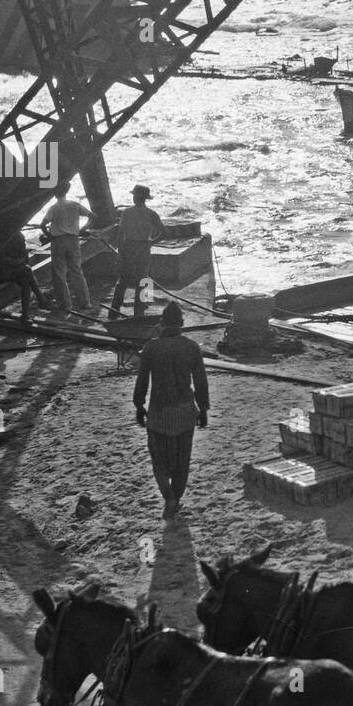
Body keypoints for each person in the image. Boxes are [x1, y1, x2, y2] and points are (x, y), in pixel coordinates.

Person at [133, 302, 209, 519]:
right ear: (182, 324)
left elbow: (142, 382)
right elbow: (201, 383)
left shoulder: (151, 348)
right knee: (182, 462)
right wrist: (203, 409)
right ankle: (175, 499)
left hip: (159, 413)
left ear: (162, 324)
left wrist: (139, 405)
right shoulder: (192, 347)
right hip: (185, 412)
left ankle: (169, 499)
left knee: (159, 461)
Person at [39, 182, 94, 312]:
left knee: (59, 274)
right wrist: (82, 229)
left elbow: (43, 225)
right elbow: (92, 216)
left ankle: (65, 305)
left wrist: (49, 235)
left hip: (58, 241)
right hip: (73, 240)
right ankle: (85, 303)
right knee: (76, 271)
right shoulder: (75, 205)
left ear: (55, 194)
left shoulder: (53, 208)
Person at [111, 184, 165, 318]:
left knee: (123, 280)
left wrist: (120, 250)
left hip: (128, 247)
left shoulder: (127, 213)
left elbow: (120, 233)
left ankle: (114, 311)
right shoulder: (152, 214)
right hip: (144, 248)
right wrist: (151, 242)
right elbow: (164, 232)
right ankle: (139, 312)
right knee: (143, 280)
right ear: (145, 199)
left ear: (135, 197)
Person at [0, 229, 47, 323]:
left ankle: (25, 315)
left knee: (25, 281)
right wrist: (15, 262)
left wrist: (17, 262)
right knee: (27, 270)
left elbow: (24, 257)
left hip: (10, 271)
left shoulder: (18, 236)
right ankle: (41, 300)